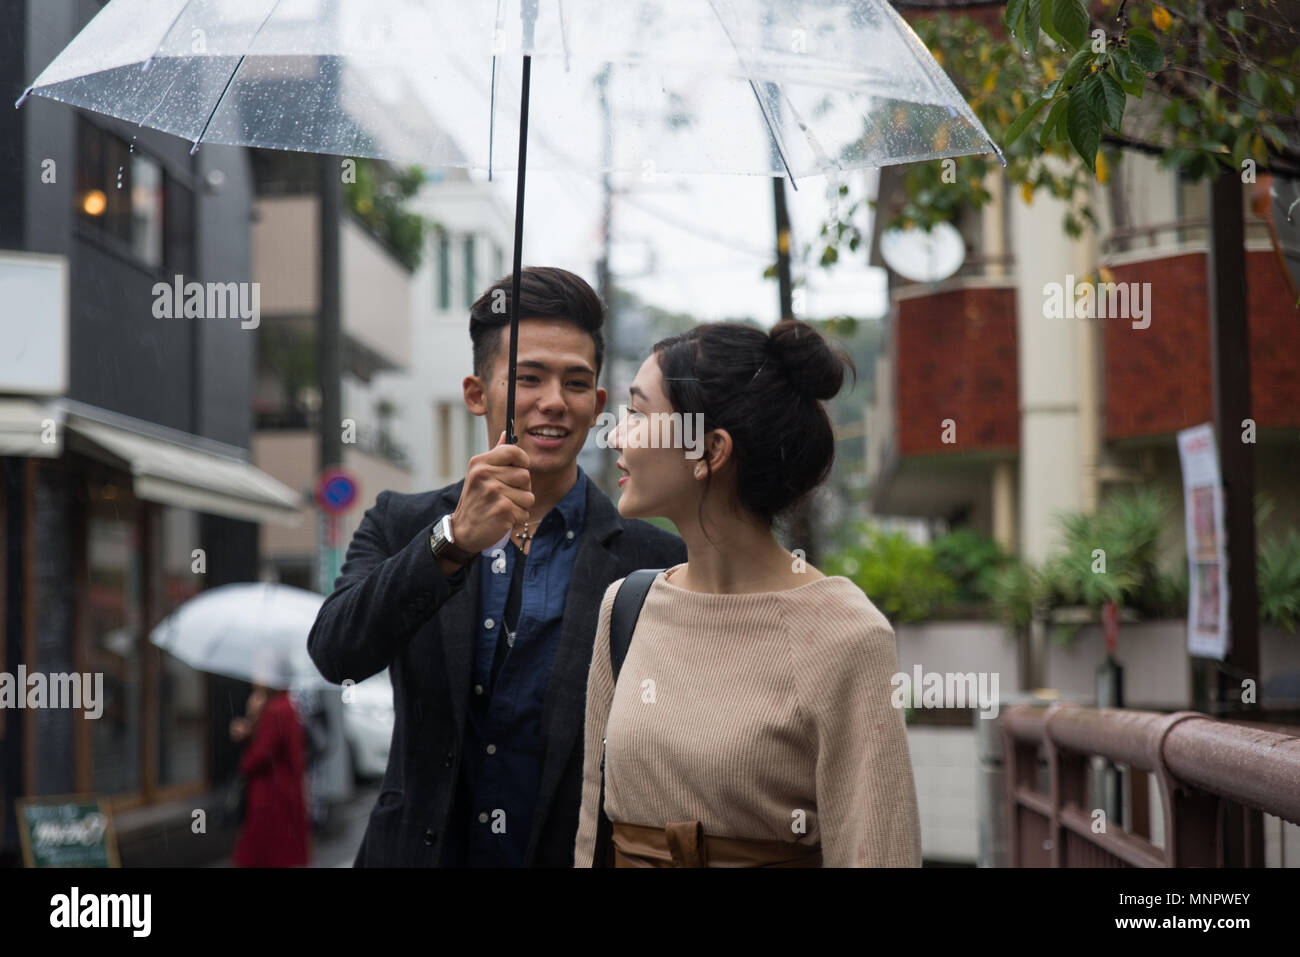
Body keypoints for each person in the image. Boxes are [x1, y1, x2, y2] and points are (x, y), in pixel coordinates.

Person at [307, 266, 685, 866]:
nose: (553, 402)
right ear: (477, 392)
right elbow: (336, 652)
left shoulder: (654, 560)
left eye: (576, 382)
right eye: (528, 377)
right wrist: (452, 541)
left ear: (598, 404)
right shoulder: (402, 522)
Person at [573, 319, 922, 867]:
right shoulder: (626, 607)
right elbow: (593, 830)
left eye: (638, 416)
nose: (616, 435)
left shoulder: (847, 634)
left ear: (710, 450)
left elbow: (877, 852)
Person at [230, 683, 311, 867]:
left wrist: (252, 719)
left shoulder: (275, 710)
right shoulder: (286, 705)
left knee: (264, 854)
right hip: (284, 793)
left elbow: (256, 758)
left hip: (270, 797)